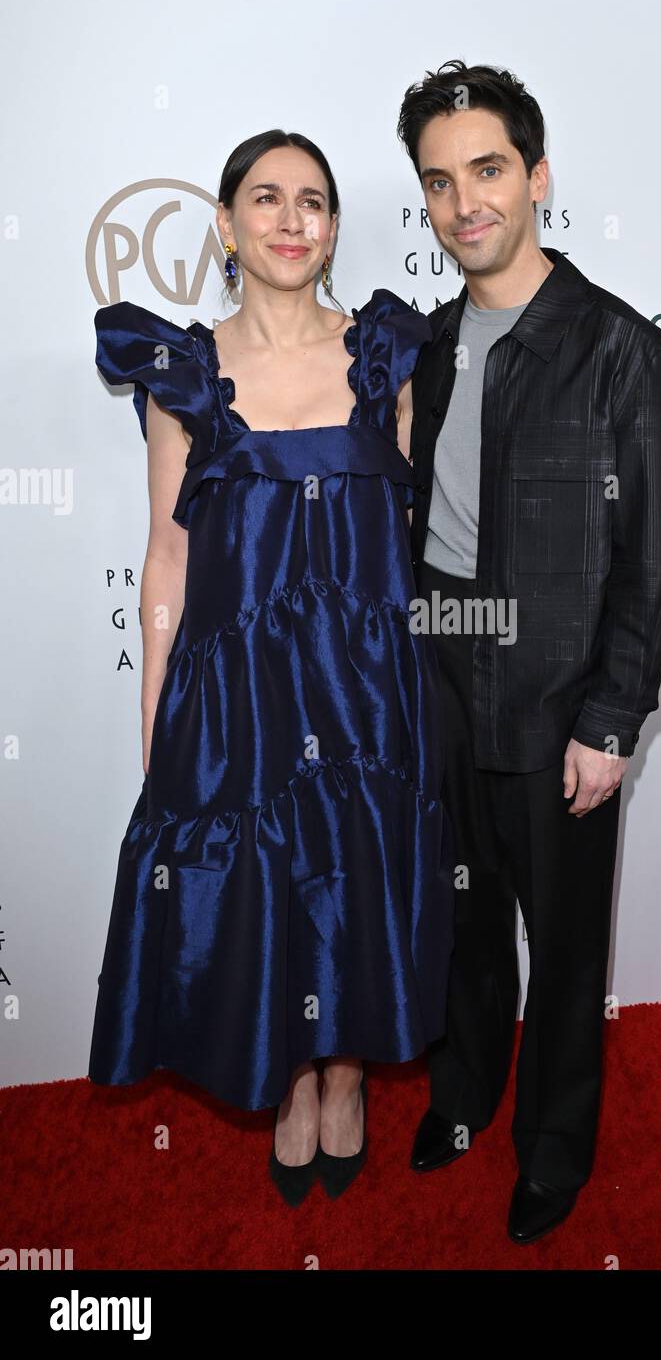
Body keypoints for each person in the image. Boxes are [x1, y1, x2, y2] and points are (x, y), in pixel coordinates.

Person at [89, 129, 455, 1208]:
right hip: (239, 692)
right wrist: (156, 714)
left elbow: (416, 521)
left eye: (311, 201)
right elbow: (166, 552)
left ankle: (347, 1080)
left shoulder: (386, 354)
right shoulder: (184, 373)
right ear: (226, 224)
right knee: (265, 889)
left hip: (366, 687)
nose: (290, 219)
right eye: (265, 198)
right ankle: (291, 1085)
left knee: (357, 879)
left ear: (333, 228)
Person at [396, 62, 661, 1243]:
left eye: (486, 169)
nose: (464, 201)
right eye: (438, 180)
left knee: (564, 950)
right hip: (443, 669)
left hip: (560, 692)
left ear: (536, 178)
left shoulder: (621, 348)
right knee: (461, 923)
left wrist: (611, 716)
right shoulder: (423, 343)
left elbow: (652, 559)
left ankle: (554, 1150)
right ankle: (463, 1100)